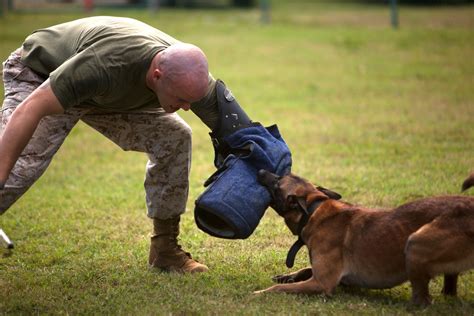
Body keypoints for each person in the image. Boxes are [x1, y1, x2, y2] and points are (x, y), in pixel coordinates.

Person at [0, 16, 247, 273]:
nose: (186, 108)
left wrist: (274, 175)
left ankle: (164, 250)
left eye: (191, 101)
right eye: (181, 99)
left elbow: (242, 133)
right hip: (41, 74)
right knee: (17, 168)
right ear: (157, 75)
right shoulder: (105, 64)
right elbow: (30, 108)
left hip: (103, 94)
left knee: (174, 137)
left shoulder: (188, 76)